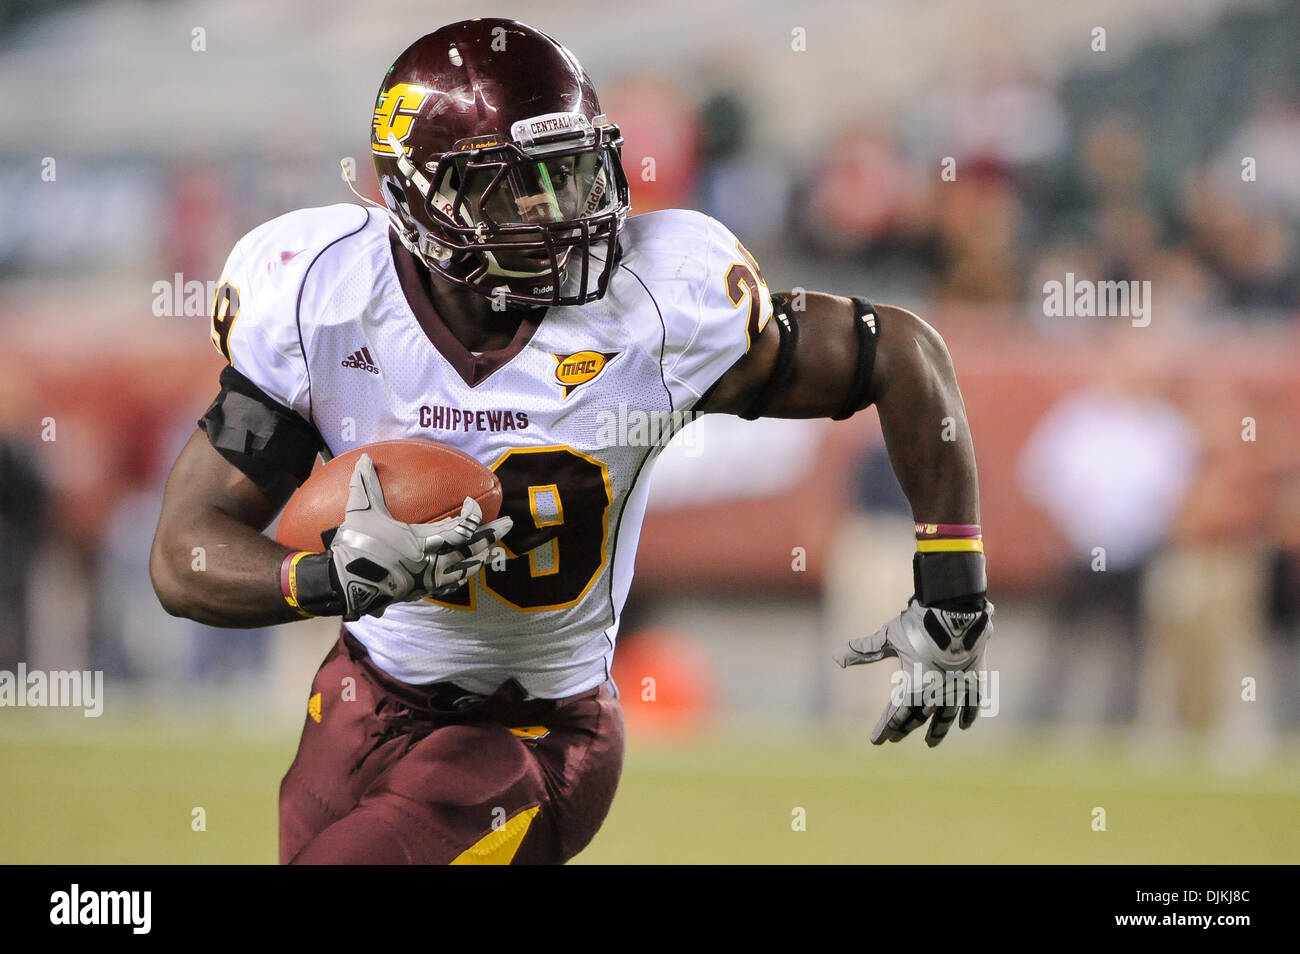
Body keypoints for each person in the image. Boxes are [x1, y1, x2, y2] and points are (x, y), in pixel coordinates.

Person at [148, 18, 992, 864]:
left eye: (578, 173)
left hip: (538, 731)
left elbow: (901, 353)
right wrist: (326, 579)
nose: (565, 211)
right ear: (422, 196)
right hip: (359, 702)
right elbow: (184, 556)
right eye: (521, 186)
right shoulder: (320, 297)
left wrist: (952, 587)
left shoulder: (662, 304)